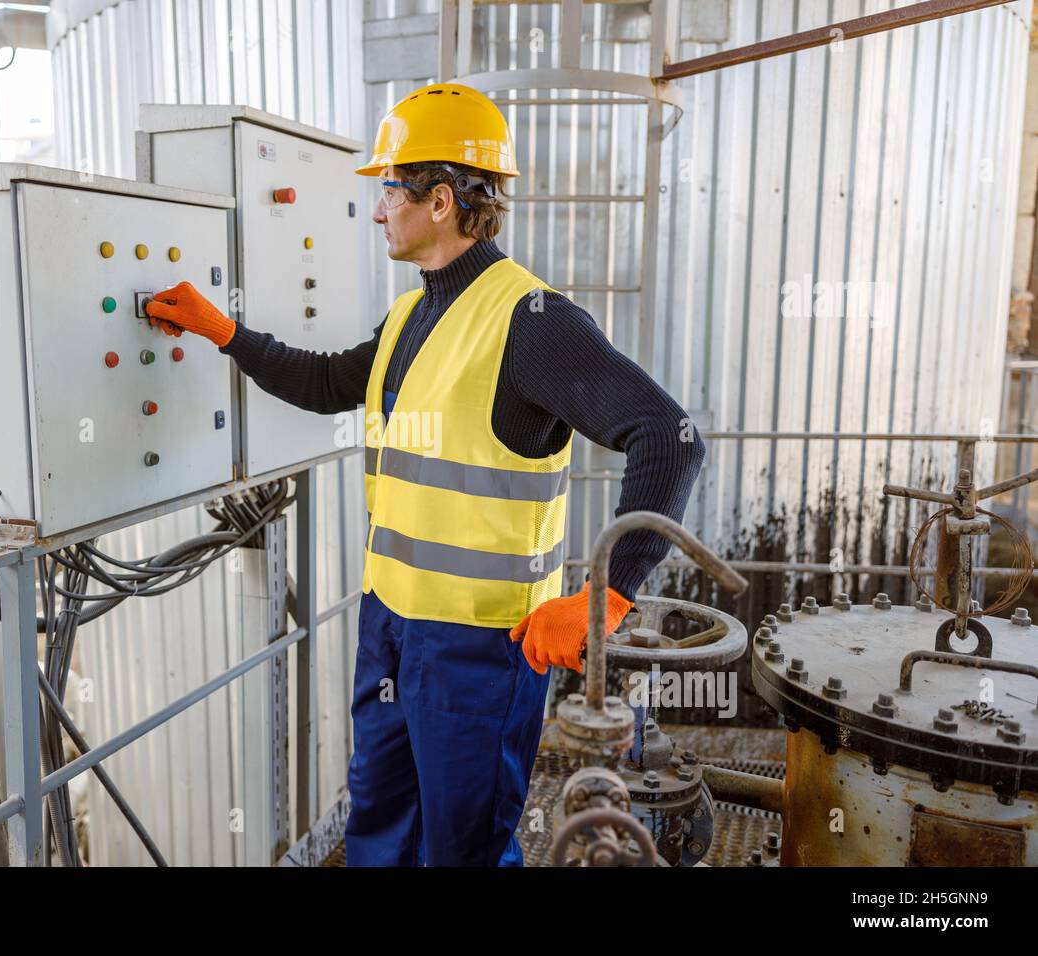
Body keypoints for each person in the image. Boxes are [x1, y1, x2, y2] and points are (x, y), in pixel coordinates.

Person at [146, 82, 705, 867]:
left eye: (388, 190)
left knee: (464, 848)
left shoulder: (530, 321)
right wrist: (223, 331)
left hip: (479, 649)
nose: (377, 210)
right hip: (390, 628)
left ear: (439, 199)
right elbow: (326, 382)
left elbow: (670, 438)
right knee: (379, 824)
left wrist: (605, 598)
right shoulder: (413, 316)